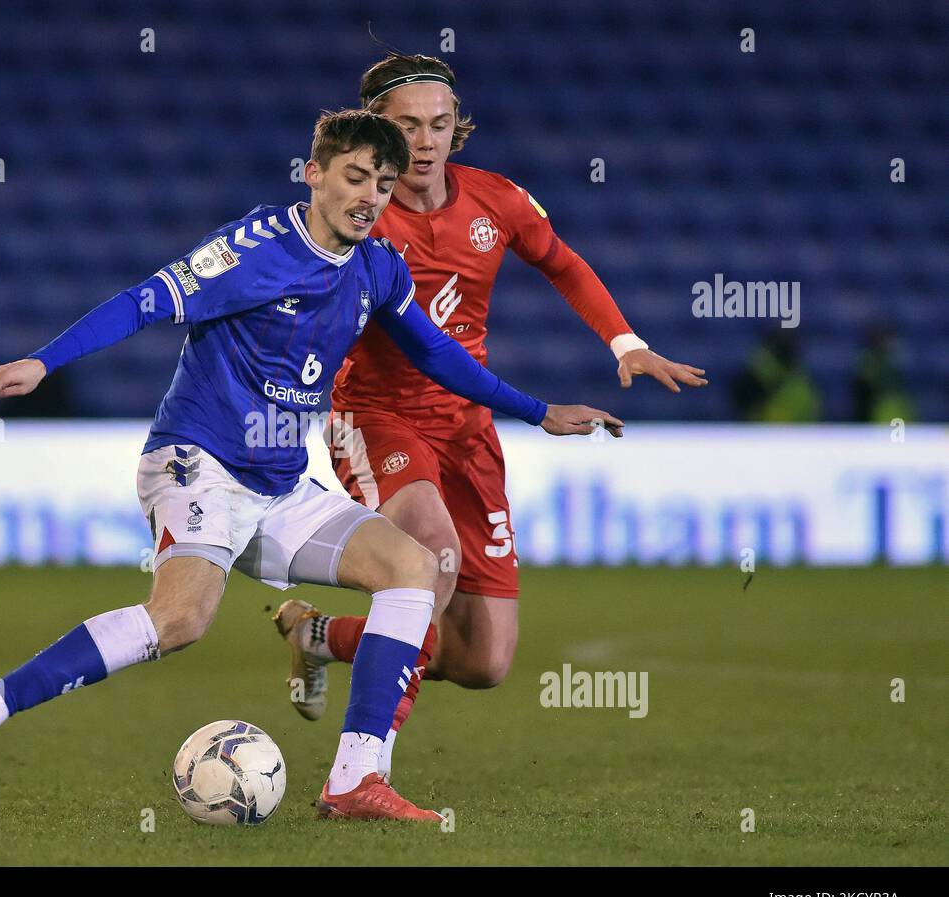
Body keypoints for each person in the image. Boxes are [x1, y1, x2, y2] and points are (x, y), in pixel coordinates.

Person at [0, 109, 623, 821]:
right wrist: (44, 359)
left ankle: (354, 780)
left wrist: (537, 410)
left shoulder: (376, 266)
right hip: (199, 463)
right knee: (181, 619)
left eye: (381, 181)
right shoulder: (254, 249)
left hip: (278, 487)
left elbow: (435, 353)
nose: (369, 195)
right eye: (353, 177)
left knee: (413, 567)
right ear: (313, 175)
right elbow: (146, 301)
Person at [272, 55, 706, 781]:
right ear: (377, 132)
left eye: (440, 124)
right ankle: (363, 769)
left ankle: (318, 634)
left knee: (482, 659)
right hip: (378, 415)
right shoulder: (356, 217)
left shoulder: (495, 201)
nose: (427, 140)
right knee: (431, 552)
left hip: (468, 425)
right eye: (407, 126)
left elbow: (563, 263)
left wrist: (626, 344)